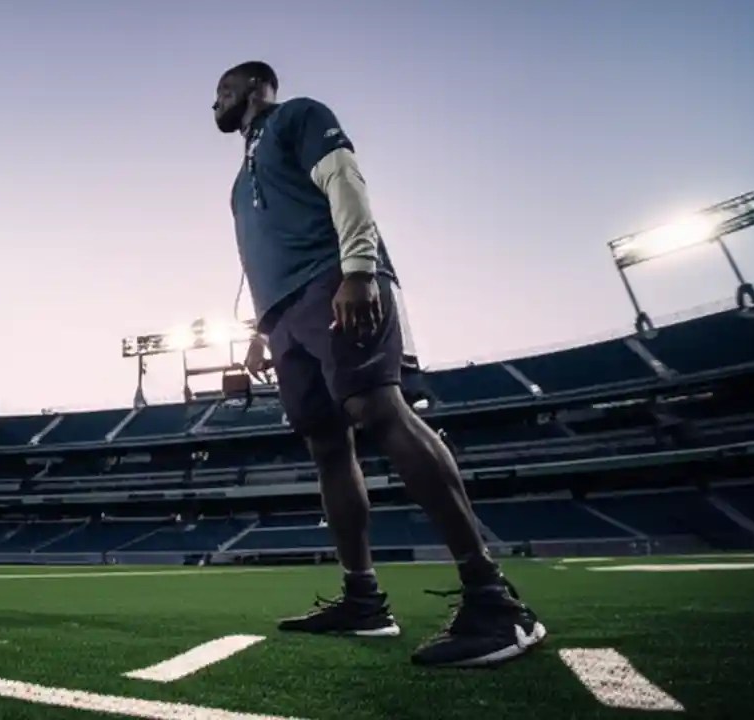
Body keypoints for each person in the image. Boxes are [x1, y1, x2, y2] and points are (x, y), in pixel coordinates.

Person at [213, 61, 545, 667]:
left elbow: (345, 181)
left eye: (224, 90)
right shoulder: (241, 179)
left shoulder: (299, 116)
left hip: (331, 281)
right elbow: (259, 251)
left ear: (257, 86)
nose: (215, 103)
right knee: (325, 446)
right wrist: (262, 330)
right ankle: (363, 600)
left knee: (377, 408)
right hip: (284, 313)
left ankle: (494, 598)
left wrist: (359, 269)